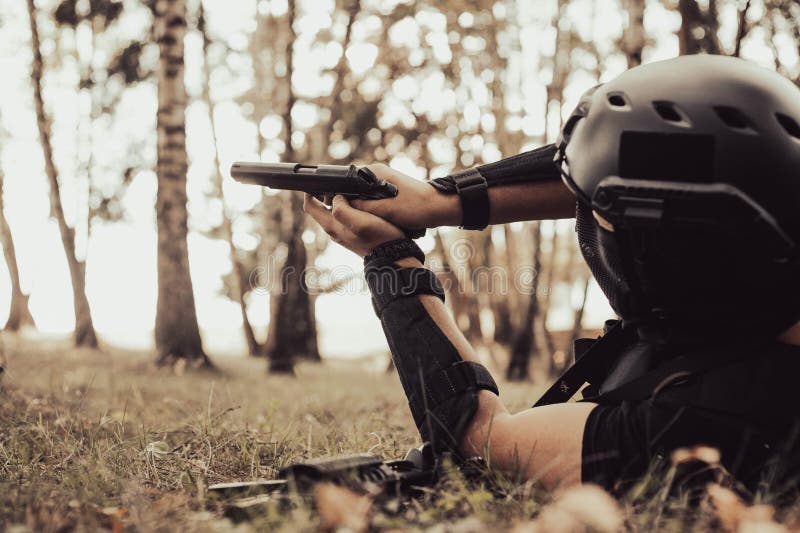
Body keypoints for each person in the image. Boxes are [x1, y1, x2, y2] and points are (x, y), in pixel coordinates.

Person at [303, 55, 800, 495]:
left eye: (603, 215)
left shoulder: (700, 422)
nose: (589, 215)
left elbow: (478, 440)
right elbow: (679, 168)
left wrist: (389, 257)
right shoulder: (769, 253)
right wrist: (440, 200)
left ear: (661, 257)